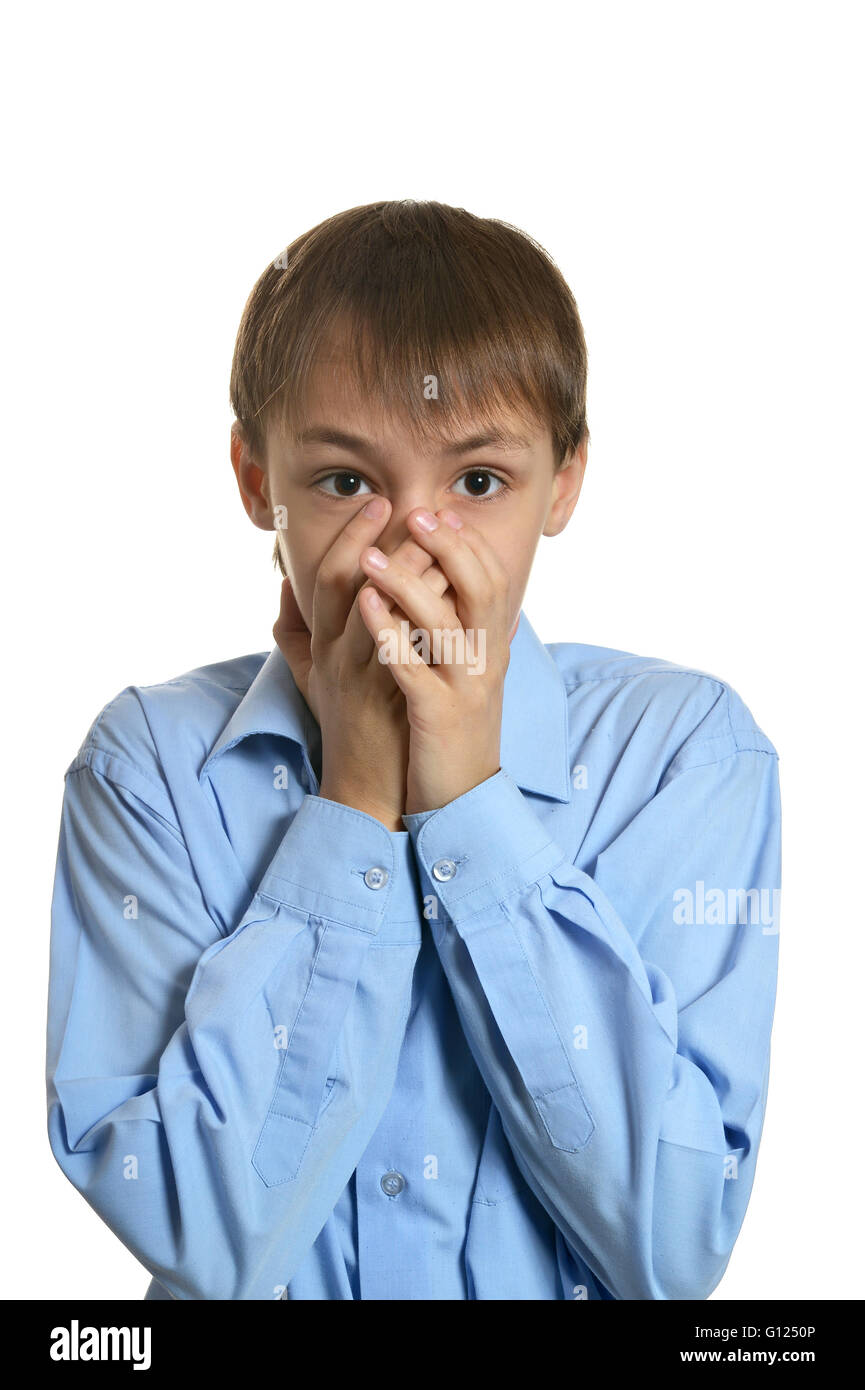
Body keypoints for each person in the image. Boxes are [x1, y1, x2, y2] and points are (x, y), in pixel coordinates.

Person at [46, 199, 781, 1300]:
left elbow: (669, 1248)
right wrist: (354, 796)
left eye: (476, 483)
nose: (404, 546)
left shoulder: (682, 753)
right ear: (257, 482)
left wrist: (468, 798)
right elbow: (209, 1238)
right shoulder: (148, 768)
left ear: (563, 482)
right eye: (346, 482)